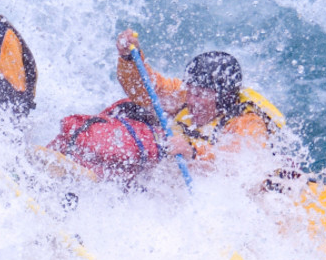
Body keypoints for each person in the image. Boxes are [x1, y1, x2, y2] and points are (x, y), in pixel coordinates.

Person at [115, 30, 280, 167]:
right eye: (191, 91)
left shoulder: (248, 122)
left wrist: (192, 152)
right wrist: (128, 58)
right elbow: (147, 90)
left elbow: (240, 164)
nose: (192, 101)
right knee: (127, 108)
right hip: (192, 160)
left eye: (201, 95)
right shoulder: (184, 94)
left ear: (225, 97)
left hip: (235, 187)